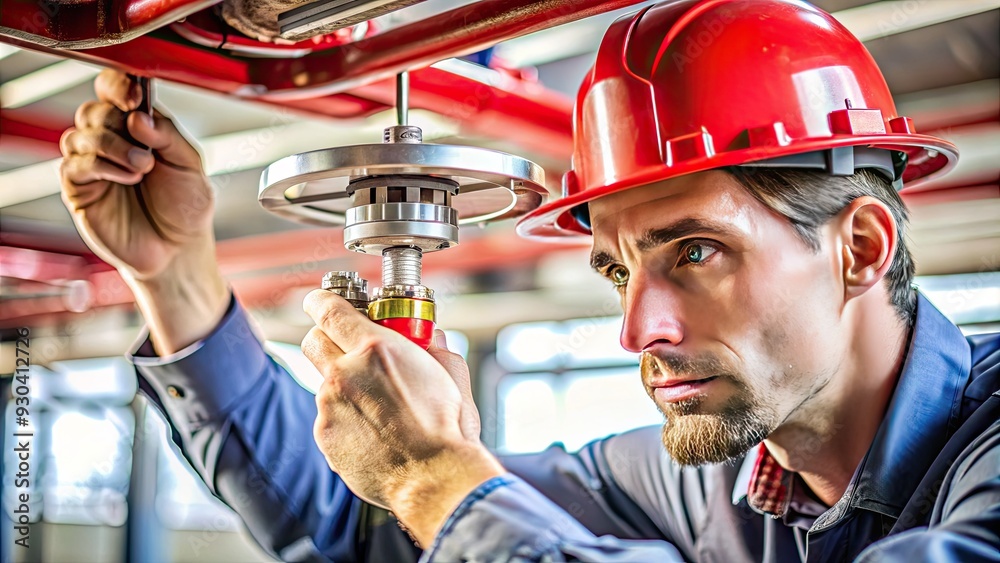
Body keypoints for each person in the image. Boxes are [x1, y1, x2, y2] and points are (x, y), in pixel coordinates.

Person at [58, 0, 999, 561]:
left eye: (695, 252)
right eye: (615, 268)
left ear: (862, 247)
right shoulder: (719, 485)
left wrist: (442, 474)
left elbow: (449, 502)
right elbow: (376, 530)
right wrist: (174, 276)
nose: (637, 328)